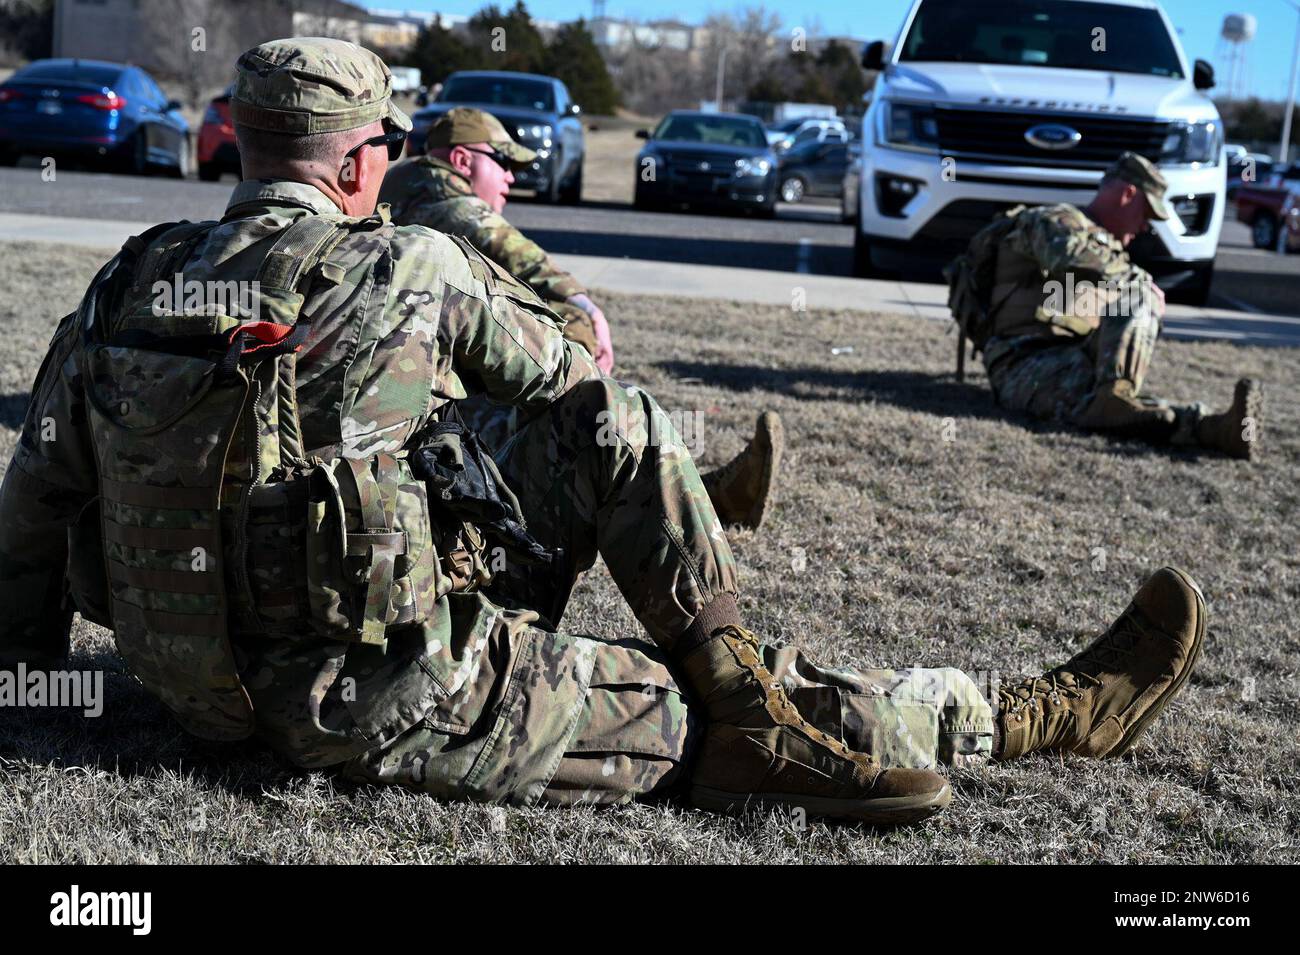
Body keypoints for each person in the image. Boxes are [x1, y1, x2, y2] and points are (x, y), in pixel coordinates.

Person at [0, 38, 1206, 825]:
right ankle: (1000, 712)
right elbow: (576, 382)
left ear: (242, 139)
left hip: (192, 684)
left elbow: (34, 499)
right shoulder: (411, 266)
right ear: (364, 161)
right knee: (691, 694)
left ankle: (730, 686)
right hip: (372, 700)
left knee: (549, 452)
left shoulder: (130, 277)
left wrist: (38, 685)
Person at [380, 106, 781, 529]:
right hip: (438, 427)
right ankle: (702, 502)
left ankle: (691, 496)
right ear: (462, 161)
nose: (512, 178)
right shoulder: (452, 207)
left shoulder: (394, 193)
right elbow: (527, 262)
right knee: (572, 378)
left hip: (410, 406)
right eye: (504, 162)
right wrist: (585, 313)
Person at [947, 152, 1262, 459]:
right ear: (1127, 194)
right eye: (1146, 214)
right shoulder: (1053, 221)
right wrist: (1138, 282)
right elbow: (1067, 258)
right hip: (1022, 366)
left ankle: (1213, 429)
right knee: (1138, 300)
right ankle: (1196, 425)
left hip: (1074, 362)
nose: (1144, 228)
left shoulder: (1107, 251)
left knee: (1113, 410)